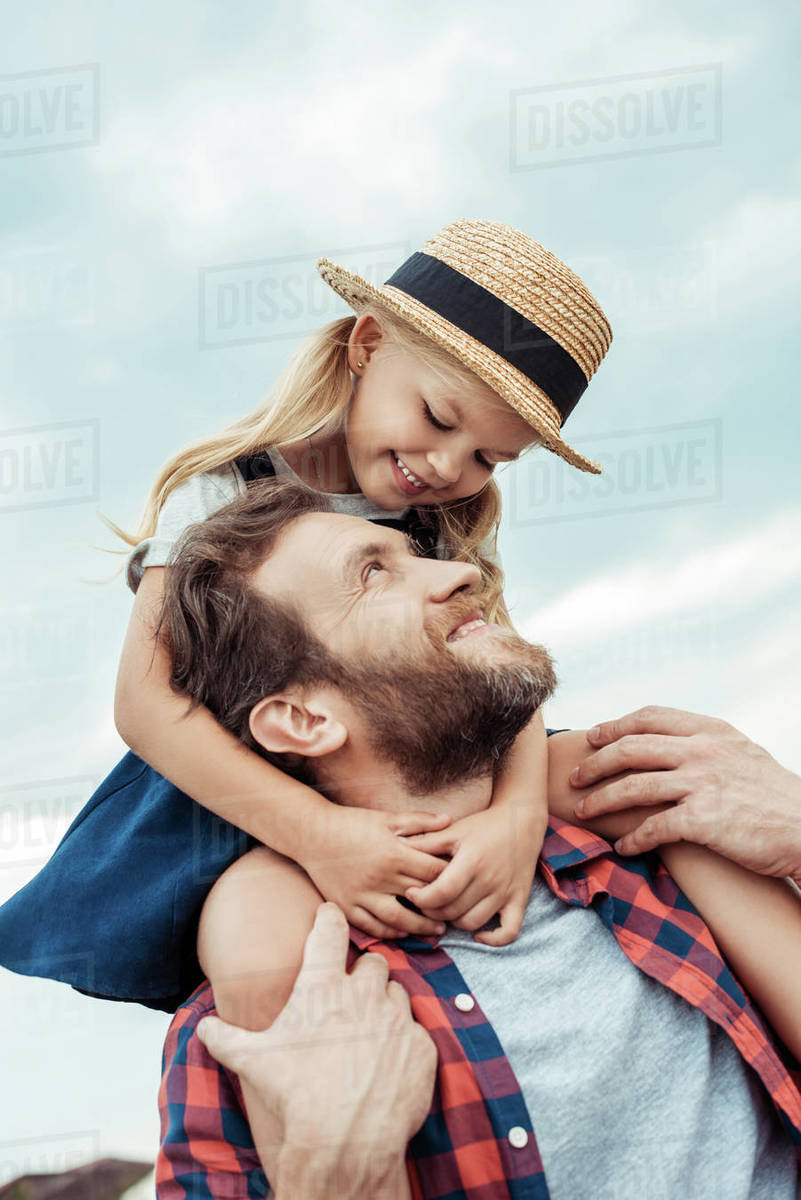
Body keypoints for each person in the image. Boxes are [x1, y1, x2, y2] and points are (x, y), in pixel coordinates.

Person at [0, 219, 615, 1018]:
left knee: (632, 774)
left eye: (488, 459)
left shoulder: (451, 518)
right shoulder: (227, 487)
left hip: (422, 754)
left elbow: (498, 663)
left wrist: (517, 814)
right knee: (258, 937)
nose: (446, 467)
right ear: (366, 346)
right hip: (261, 784)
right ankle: (310, 1111)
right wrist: (320, 836)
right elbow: (145, 707)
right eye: (436, 416)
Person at [158, 479, 801, 1199]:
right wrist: (334, 1177)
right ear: (304, 720)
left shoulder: (660, 818)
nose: (462, 572)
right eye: (372, 572)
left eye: (412, 553)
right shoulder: (245, 1030)